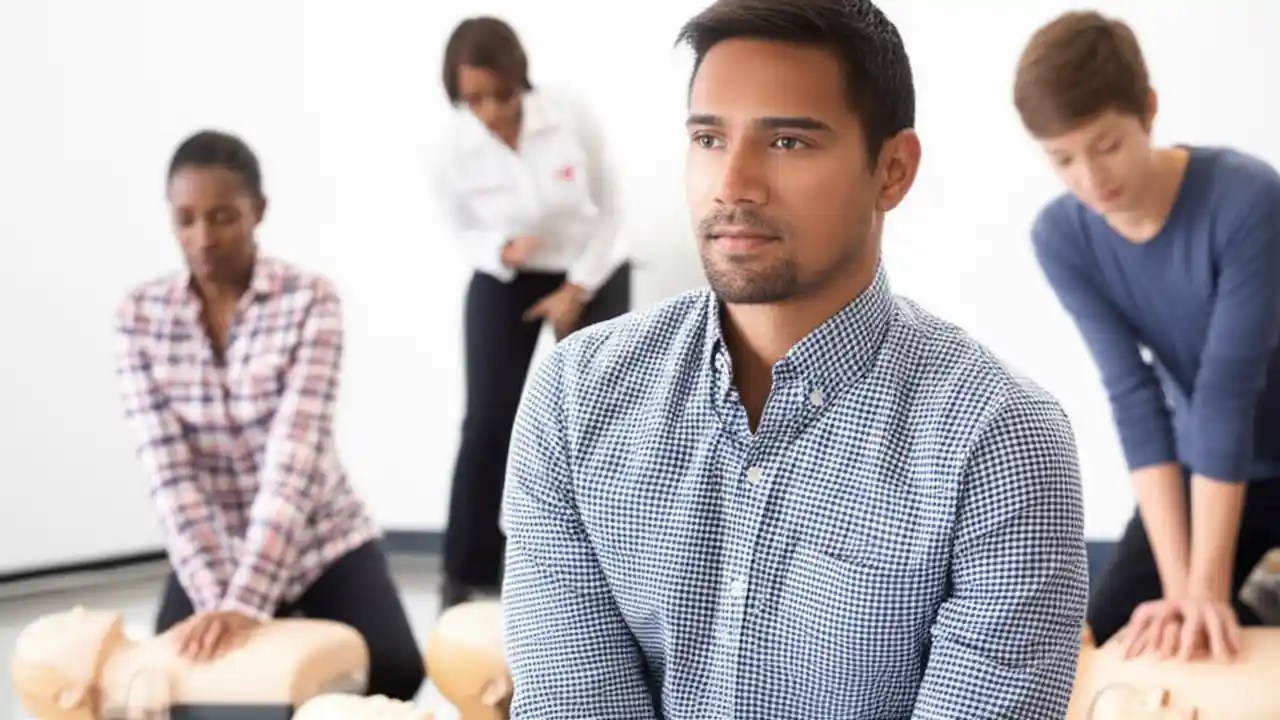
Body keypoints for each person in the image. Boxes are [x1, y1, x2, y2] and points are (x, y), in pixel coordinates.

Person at [500, 1, 1089, 717]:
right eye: (710, 138)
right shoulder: (574, 396)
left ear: (893, 170)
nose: (734, 184)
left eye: (788, 143)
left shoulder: (1000, 443)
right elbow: (573, 702)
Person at [113, 129, 425, 700]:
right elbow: (169, 475)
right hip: (209, 547)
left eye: (223, 216)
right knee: (185, 681)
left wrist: (249, 604)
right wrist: (219, 603)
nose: (202, 237)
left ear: (258, 211)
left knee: (398, 670)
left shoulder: (311, 301)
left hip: (318, 535)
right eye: (185, 219)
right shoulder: (138, 317)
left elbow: (295, 459)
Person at [1015, 10, 1280, 663]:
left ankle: (1255, 589)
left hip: (1251, 435)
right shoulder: (1062, 237)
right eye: (1062, 158)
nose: (1088, 179)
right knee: (1120, 635)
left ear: (1149, 111)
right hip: (1205, 464)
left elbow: (1227, 392)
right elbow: (1133, 398)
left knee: (1217, 625)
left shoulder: (1249, 200)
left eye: (1106, 145)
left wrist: (1204, 591)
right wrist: (1182, 589)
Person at [430, 16, 631, 608]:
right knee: (488, 420)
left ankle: (612, 566)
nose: (490, 110)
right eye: (474, 99)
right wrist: (496, 250)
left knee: (606, 424)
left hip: (589, 265)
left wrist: (578, 287)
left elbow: (612, 206)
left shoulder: (569, 115)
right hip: (508, 274)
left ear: (520, 80)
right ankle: (467, 573)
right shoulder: (450, 146)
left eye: (499, 94)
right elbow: (459, 228)